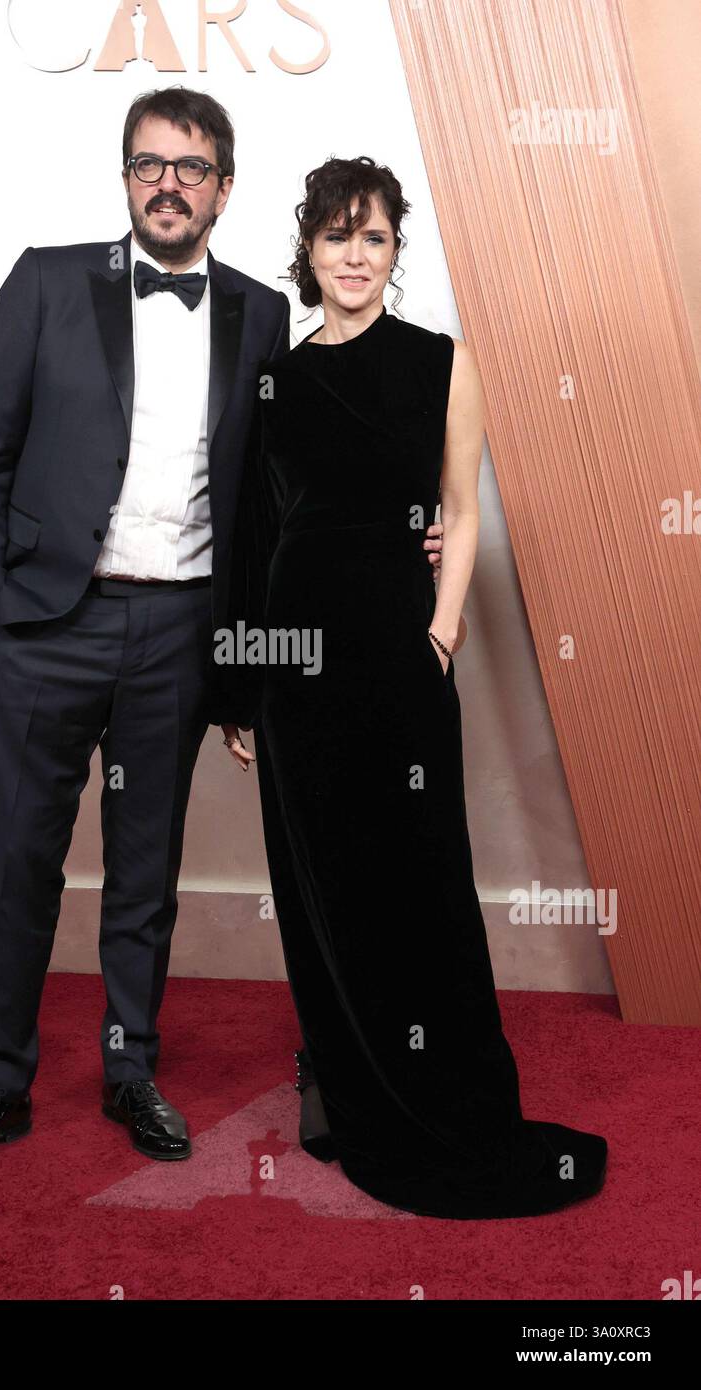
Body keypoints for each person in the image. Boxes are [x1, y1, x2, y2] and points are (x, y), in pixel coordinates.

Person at [0, 86, 446, 1182]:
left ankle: (129, 1072)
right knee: (17, 862)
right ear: (125, 179)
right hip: (45, 626)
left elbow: (293, 492)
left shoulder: (259, 314)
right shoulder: (47, 281)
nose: (169, 183)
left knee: (145, 869)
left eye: (191, 167)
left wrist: (411, 539)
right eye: (150, 164)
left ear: (223, 188)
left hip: (179, 630)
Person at [217, 156, 608, 1219]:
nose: (354, 254)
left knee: (417, 882)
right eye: (336, 235)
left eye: (375, 236)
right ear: (306, 249)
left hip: (396, 654)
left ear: (396, 251)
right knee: (322, 886)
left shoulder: (442, 360)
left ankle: (438, 1096)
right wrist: (239, 684)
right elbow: (254, 539)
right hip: (294, 667)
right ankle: (341, 1087)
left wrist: (440, 630)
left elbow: (460, 504)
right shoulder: (275, 380)